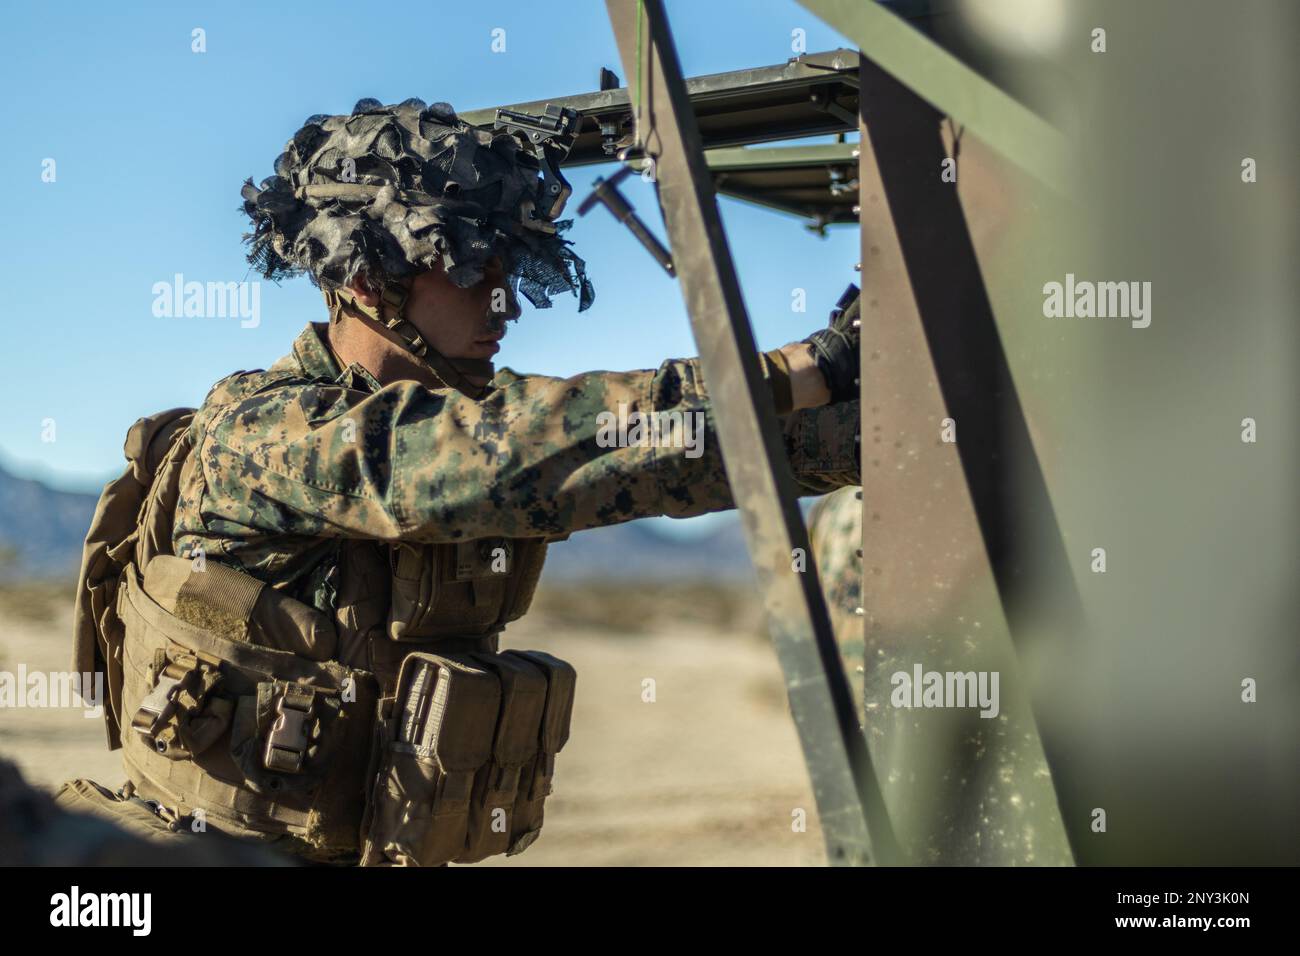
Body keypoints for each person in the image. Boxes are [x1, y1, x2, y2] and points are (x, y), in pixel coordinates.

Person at [60, 98, 863, 866]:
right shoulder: (262, 431)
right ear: (371, 281)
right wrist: (800, 371)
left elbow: (665, 458)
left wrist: (871, 422)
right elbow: (496, 454)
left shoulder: (471, 432)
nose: (505, 303)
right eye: (473, 270)